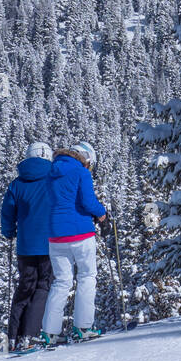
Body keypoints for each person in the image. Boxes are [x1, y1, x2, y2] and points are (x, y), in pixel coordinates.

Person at [39, 141, 108, 346]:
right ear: (85, 158)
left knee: (61, 282)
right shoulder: (81, 173)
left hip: (55, 235)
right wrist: (102, 214)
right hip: (80, 233)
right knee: (87, 276)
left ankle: (50, 332)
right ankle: (83, 327)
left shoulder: (50, 172)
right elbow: (87, 202)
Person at [0, 141, 57, 352]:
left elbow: (7, 212)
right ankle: (30, 335)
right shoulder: (54, 179)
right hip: (49, 243)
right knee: (43, 286)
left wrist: (9, 232)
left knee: (24, 287)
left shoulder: (16, 183)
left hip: (24, 245)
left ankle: (13, 337)